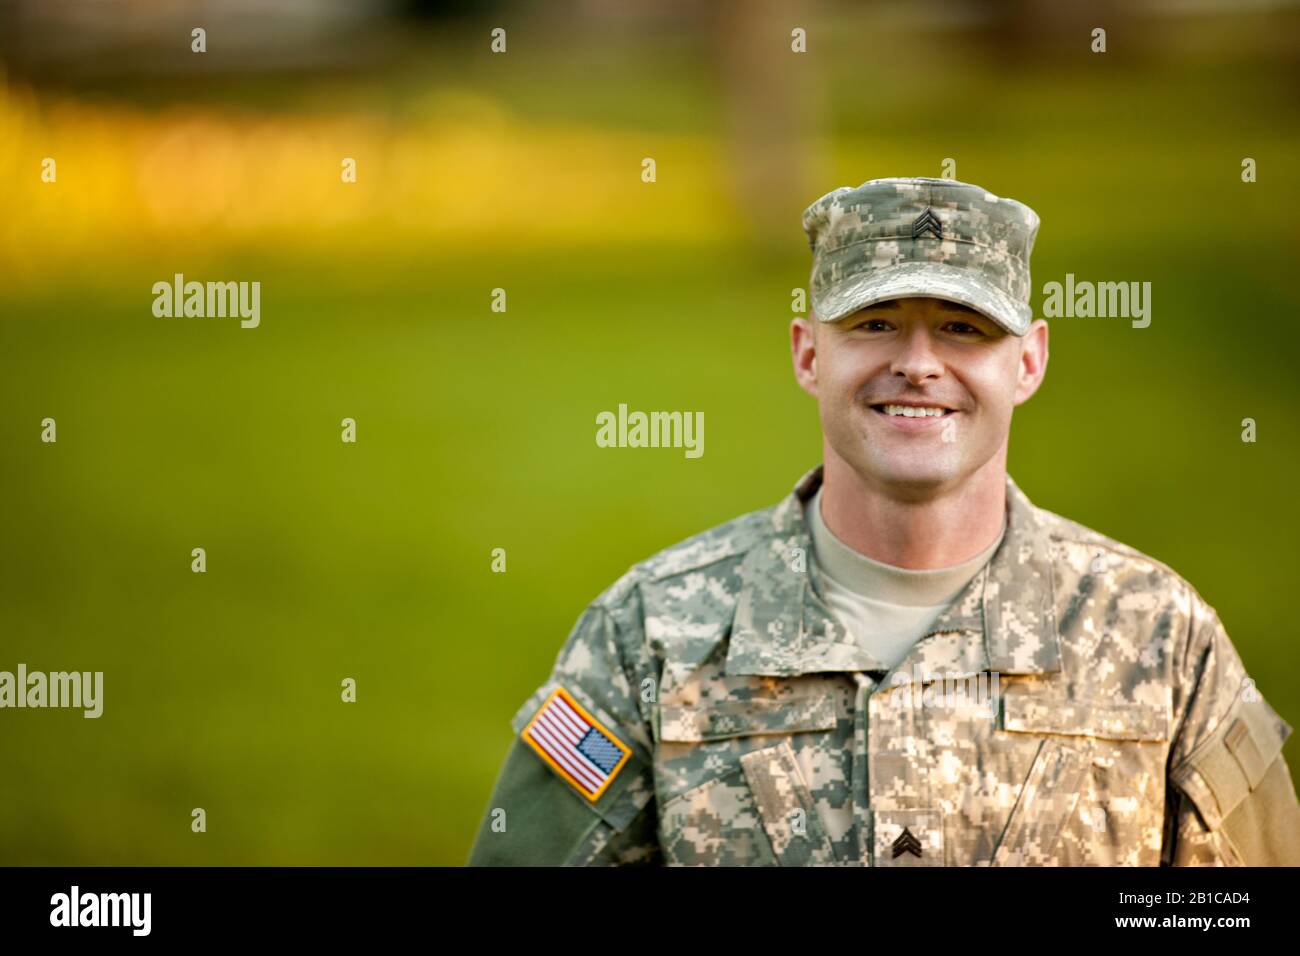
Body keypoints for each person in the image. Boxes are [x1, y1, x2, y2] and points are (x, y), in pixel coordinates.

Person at [467, 176, 1300, 866]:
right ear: (807, 353)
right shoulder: (651, 636)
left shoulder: (1158, 636)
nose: (917, 362)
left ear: (1029, 361)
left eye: (963, 328)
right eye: (874, 323)